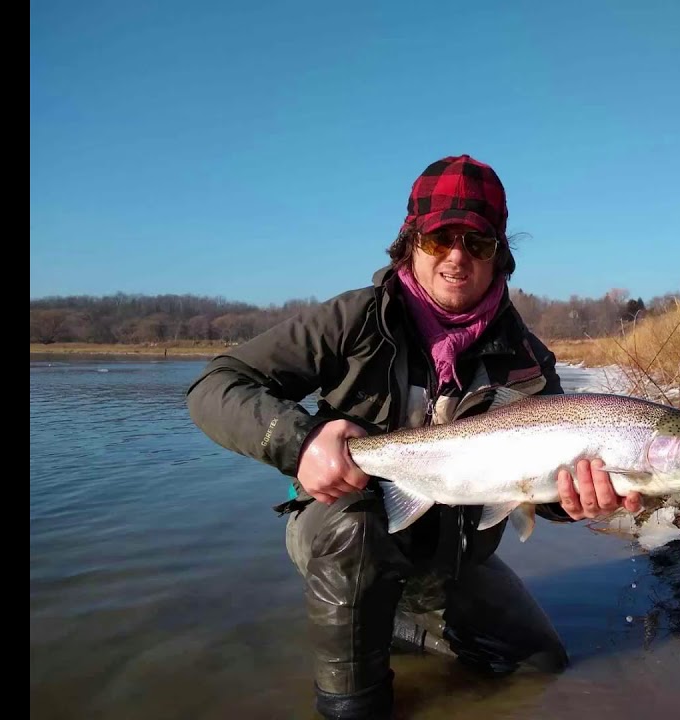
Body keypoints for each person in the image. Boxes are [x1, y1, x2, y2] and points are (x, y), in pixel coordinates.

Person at [185, 154, 643, 719]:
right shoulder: (354, 320)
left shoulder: (526, 360)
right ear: (410, 244)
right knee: (354, 533)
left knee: (537, 666)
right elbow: (216, 385)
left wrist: (575, 502)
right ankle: (352, 704)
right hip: (347, 529)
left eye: (477, 242)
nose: (457, 256)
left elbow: (534, 487)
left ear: (499, 254)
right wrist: (300, 441)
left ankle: (392, 616)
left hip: (450, 556)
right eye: (439, 238)